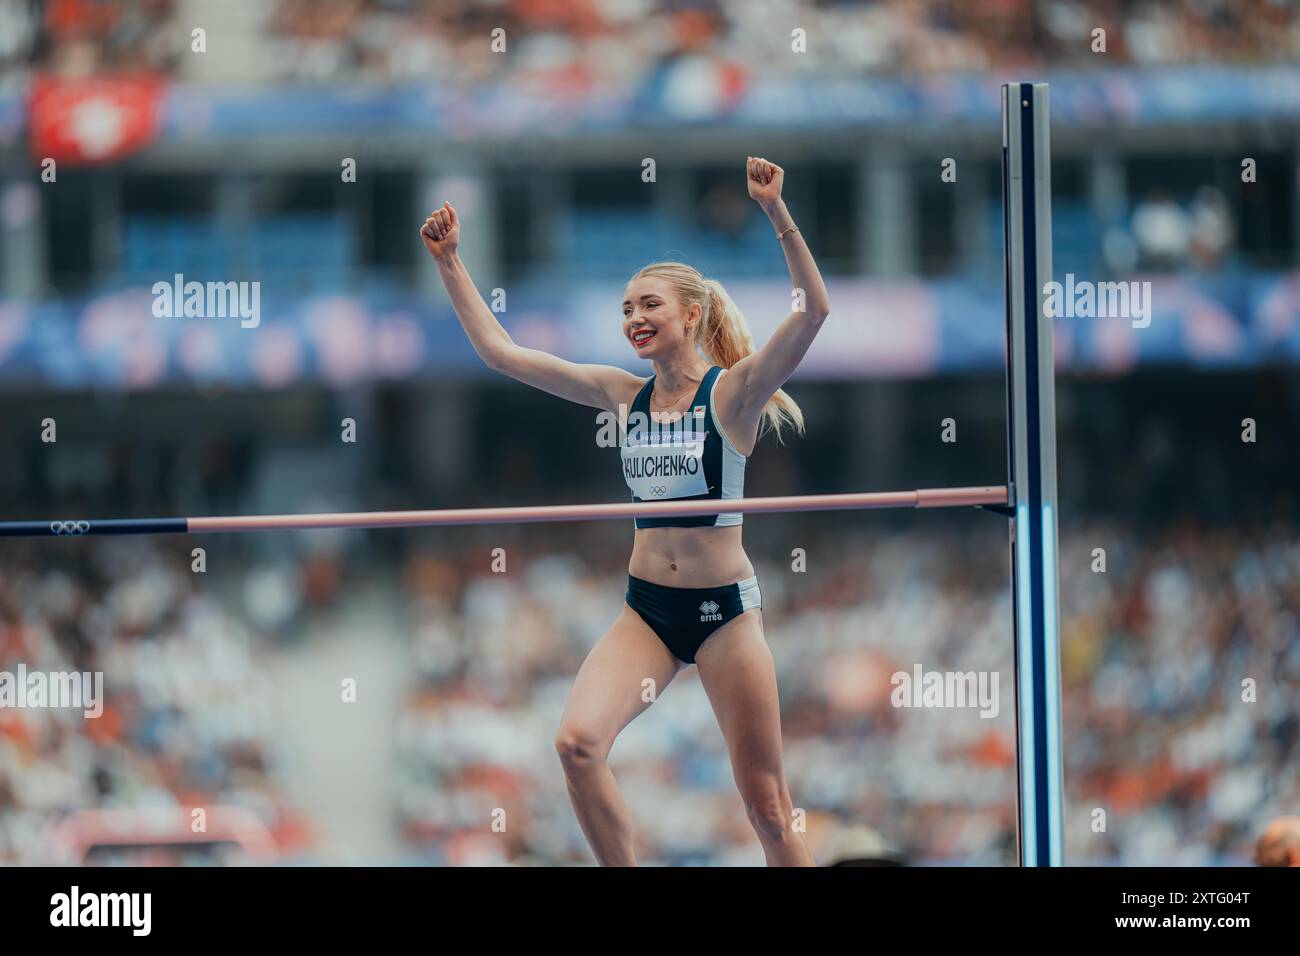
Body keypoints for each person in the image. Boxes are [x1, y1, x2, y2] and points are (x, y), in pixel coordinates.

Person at [420, 156, 830, 866]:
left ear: (692, 315)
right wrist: (451, 262)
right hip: (647, 611)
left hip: (724, 616)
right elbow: (500, 353)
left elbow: (814, 313)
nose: (634, 319)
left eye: (649, 306)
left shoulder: (733, 396)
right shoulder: (621, 394)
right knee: (576, 745)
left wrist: (777, 214)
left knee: (767, 807)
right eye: (626, 310)